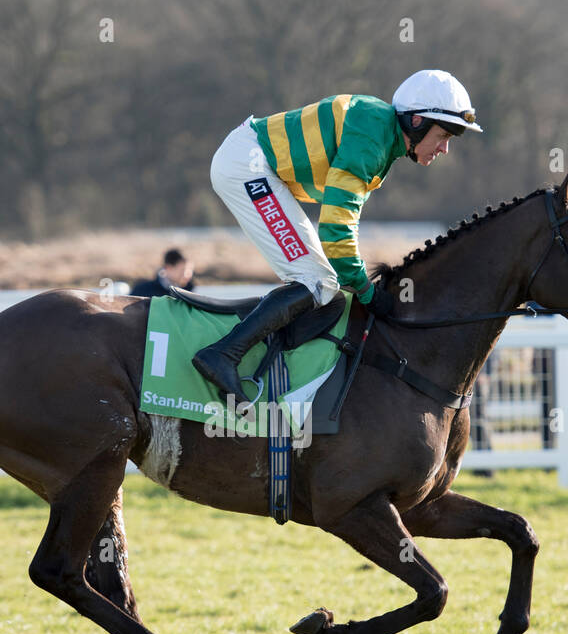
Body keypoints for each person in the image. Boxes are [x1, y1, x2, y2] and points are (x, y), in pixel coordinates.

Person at [192, 69, 482, 404]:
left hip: (251, 162)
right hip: (248, 167)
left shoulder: (382, 136)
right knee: (316, 280)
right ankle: (223, 355)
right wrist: (366, 290)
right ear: (416, 122)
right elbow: (336, 228)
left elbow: (341, 229)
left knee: (326, 287)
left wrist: (356, 283)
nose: (445, 149)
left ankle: (273, 361)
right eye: (444, 135)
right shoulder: (371, 138)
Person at [131, 249, 195, 298]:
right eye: (183, 270)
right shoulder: (143, 291)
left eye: (190, 270)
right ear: (168, 268)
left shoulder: (192, 292)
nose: (188, 275)